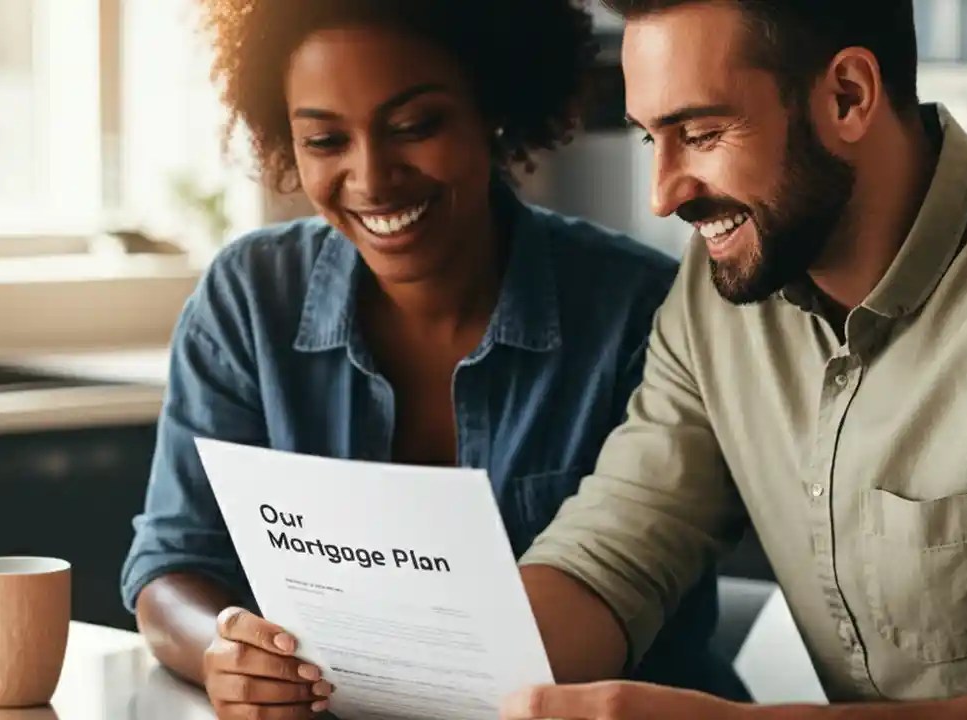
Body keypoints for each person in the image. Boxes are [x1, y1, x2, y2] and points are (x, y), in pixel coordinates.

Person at [502, 2, 967, 719]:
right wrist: (438, 669)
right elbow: (614, 552)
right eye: (648, 139)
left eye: (700, 131)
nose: (664, 194)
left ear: (848, 97)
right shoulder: (716, 294)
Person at [119, 1, 744, 717]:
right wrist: (223, 648)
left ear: (493, 110)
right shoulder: (251, 301)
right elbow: (173, 561)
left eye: (415, 127)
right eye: (325, 139)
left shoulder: (640, 311)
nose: (372, 178)